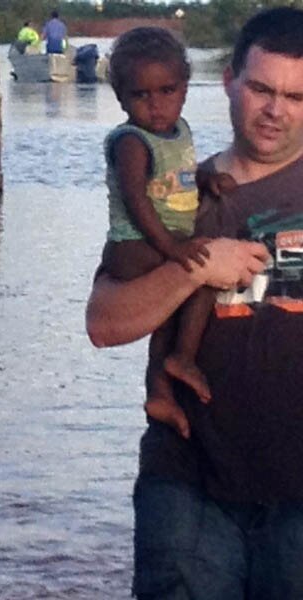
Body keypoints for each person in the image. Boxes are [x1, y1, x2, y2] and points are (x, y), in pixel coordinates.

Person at [87, 7, 303, 598]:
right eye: (260, 88)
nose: (274, 110)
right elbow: (104, 324)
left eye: (295, 96)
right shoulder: (177, 193)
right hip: (188, 487)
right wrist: (202, 265)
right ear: (228, 80)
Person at [102, 27, 219, 440]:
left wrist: (205, 178)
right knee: (206, 274)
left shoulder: (177, 130)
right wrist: (171, 248)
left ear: (185, 90)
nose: (156, 105)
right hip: (134, 245)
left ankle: (160, 392)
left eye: (167, 91)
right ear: (120, 97)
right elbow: (137, 200)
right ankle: (183, 359)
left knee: (166, 315)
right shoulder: (132, 142)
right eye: (141, 95)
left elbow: (176, 177)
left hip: (157, 241)